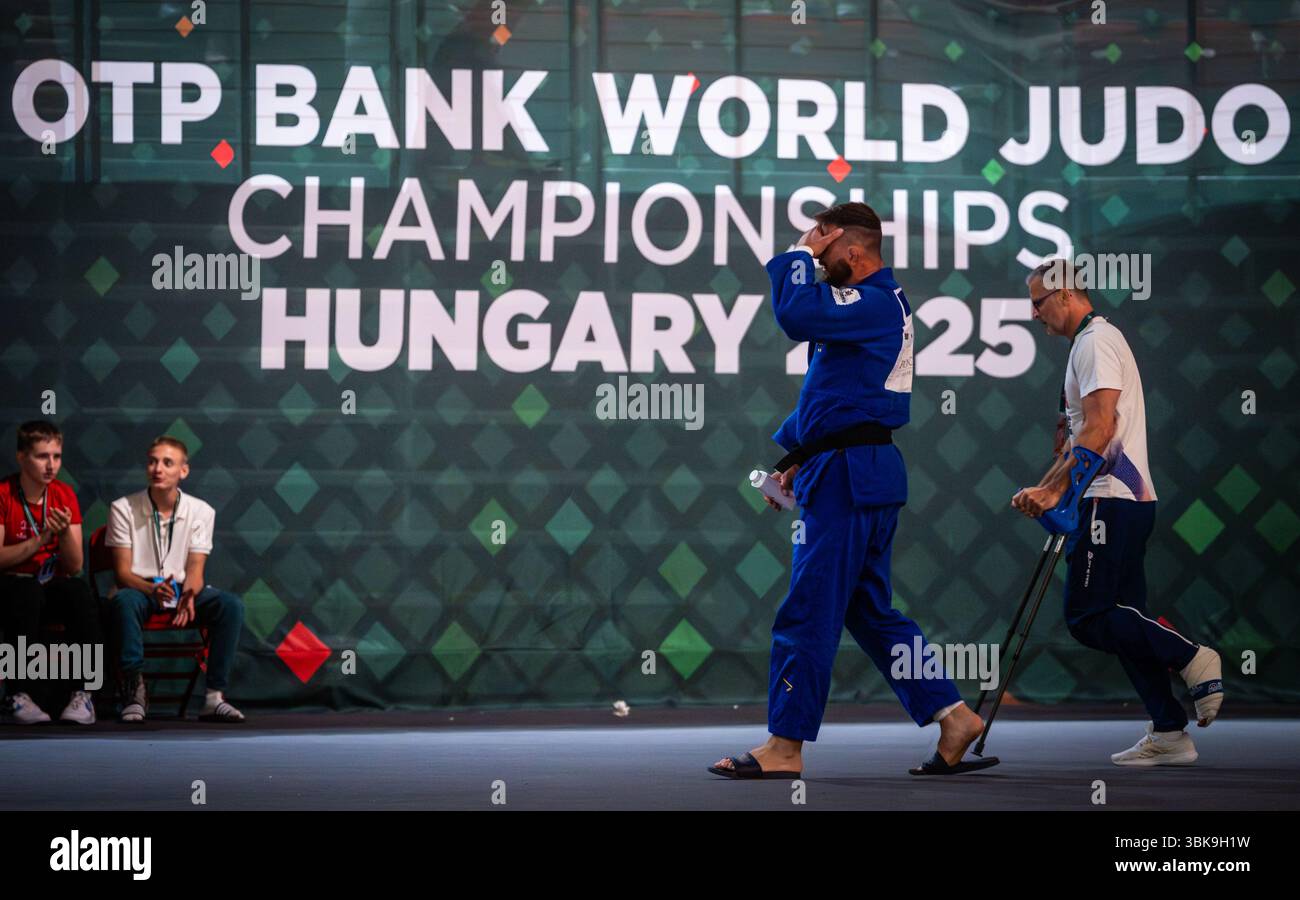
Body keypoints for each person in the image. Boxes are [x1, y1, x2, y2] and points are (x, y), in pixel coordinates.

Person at [709, 202, 997, 779]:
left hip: (848, 476)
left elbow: (794, 314)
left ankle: (785, 747)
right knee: (869, 612)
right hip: (854, 466)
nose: (820, 262)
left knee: (807, 610)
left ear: (852, 250)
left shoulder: (871, 302)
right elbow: (834, 395)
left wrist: (796, 253)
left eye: (826, 249)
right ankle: (954, 714)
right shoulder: (871, 310)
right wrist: (794, 459)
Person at [1011, 258, 1223, 766]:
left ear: (1064, 294)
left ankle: (1192, 656)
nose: (1033, 314)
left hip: (1112, 499)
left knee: (1088, 617)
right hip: (1115, 499)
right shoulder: (1084, 345)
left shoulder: (1095, 341)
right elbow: (1080, 439)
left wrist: (1053, 491)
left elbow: (1101, 428)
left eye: (1037, 303)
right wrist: (1045, 489)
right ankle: (1170, 731)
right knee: (1124, 617)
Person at [105, 436, 246, 723]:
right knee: (123, 601)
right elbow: (121, 573)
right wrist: (151, 589)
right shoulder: (122, 508)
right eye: (153, 461)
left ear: (183, 471)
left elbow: (196, 568)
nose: (158, 468)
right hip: (139, 586)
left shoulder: (202, 511)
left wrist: (189, 595)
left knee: (230, 605)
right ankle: (135, 690)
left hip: (182, 589)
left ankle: (213, 697)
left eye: (167, 463)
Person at [0, 420, 99, 724]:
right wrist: (42, 539)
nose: (51, 465)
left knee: (79, 591)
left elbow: (75, 566)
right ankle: (17, 693)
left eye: (56, 456)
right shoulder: (4, 493)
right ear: (21, 457)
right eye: (42, 456)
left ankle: (84, 694)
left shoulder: (63, 495)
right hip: (10, 585)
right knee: (26, 591)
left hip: (50, 584)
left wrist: (66, 532)